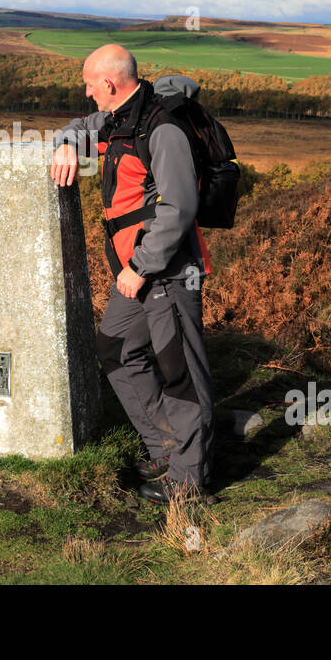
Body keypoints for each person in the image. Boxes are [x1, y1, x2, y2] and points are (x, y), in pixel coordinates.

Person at [49, 44, 216, 504]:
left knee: (181, 372)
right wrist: (66, 143)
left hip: (167, 271)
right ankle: (166, 446)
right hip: (134, 270)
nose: (85, 92)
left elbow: (178, 209)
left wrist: (141, 268)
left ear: (108, 83)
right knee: (116, 349)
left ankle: (189, 483)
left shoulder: (162, 127)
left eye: (88, 84)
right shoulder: (121, 119)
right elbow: (82, 128)